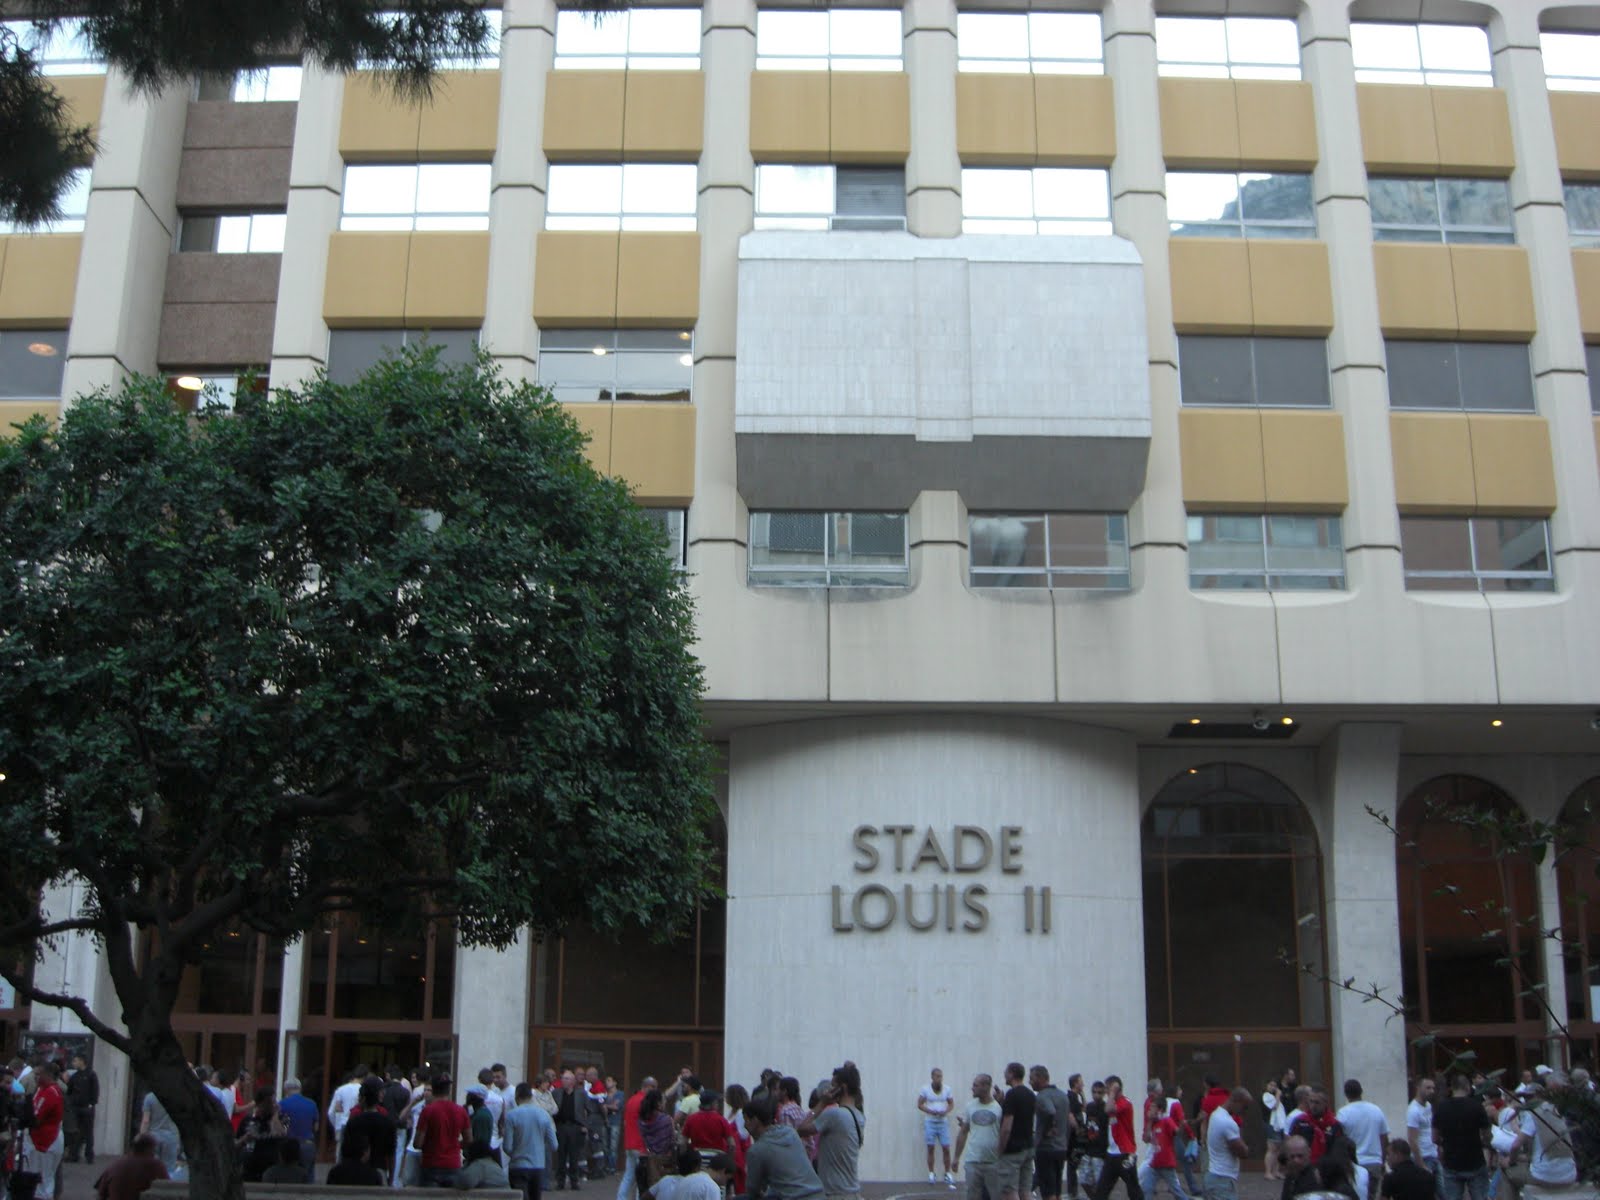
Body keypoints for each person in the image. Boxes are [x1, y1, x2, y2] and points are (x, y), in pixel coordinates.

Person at [800, 1066, 864, 1200]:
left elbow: (801, 1129)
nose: (828, 1090)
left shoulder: (834, 1115)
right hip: (853, 1192)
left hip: (835, 1194)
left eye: (833, 1086)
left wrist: (822, 1102)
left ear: (843, 1088)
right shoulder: (859, 1116)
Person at [1502, 1084, 1576, 1199]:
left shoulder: (1534, 1114)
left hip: (1546, 1176)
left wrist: (1511, 1161)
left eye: (1530, 1097)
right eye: (1525, 1098)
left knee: (1507, 1171)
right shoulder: (1558, 1111)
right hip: (1570, 1173)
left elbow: (1516, 1146)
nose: (1527, 1101)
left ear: (1540, 1096)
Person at [744, 1095, 825, 1200]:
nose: (744, 1125)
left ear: (755, 1121)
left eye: (746, 1120)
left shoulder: (757, 1150)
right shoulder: (791, 1133)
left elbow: (752, 1189)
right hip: (818, 1194)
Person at [1431, 1073, 1490, 1200]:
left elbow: (1434, 1138)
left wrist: (1443, 1145)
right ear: (1468, 1087)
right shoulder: (1477, 1106)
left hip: (1451, 1163)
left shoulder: (1441, 1108)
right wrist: (1484, 1143)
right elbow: (1487, 1135)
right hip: (1475, 1162)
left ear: (1451, 1088)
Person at [507, 1080, 561, 1200]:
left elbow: (507, 1146)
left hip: (518, 1165)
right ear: (531, 1096)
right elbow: (554, 1145)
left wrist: (515, 1152)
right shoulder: (544, 1115)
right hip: (538, 1165)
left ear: (517, 1096)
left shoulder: (511, 1115)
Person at [1337, 1079, 1390, 1200]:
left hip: (1354, 1164)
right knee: (1371, 1196)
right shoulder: (1376, 1110)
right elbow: (1384, 1138)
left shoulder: (1343, 1113)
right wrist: (1382, 1160)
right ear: (1361, 1091)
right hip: (1374, 1162)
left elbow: (1340, 1141)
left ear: (1346, 1094)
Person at [417, 1073, 472, 1187]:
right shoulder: (461, 1111)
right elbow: (469, 1139)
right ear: (449, 1089)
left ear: (433, 1089)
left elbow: (417, 1143)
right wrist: (455, 1145)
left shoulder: (427, 1111)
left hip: (431, 1164)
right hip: (453, 1163)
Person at [955, 1073, 1003, 1200]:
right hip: (973, 1161)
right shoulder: (970, 1106)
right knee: (972, 1196)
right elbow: (963, 1132)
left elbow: (1005, 1133)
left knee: (996, 1196)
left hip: (993, 1161)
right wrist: (956, 1157)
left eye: (975, 1085)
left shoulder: (998, 1108)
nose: (972, 1088)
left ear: (986, 1086)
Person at [993, 1062, 1036, 1200]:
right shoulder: (1030, 1094)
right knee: (1025, 1190)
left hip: (1012, 1150)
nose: (1004, 1075)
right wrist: (1002, 1102)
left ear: (1011, 1073)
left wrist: (1000, 1149)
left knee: (1008, 1191)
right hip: (1028, 1147)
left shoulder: (1012, 1095)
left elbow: (1007, 1127)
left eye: (1006, 1072)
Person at [1092, 1076, 1140, 1200]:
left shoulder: (1125, 1102)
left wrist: (1113, 1092)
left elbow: (1108, 1109)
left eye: (1108, 1088)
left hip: (1125, 1153)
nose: (1107, 1092)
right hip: (1112, 1154)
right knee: (1101, 1191)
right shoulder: (1112, 1102)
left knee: (1133, 1189)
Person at [1137, 1093, 1189, 1200]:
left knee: (1176, 1191)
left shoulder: (1166, 1121)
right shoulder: (1153, 1124)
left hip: (1166, 1163)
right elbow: (1146, 1139)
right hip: (1155, 1164)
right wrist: (1149, 1122)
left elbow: (1177, 1132)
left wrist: (1182, 1125)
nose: (1150, 1110)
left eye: (1153, 1107)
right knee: (1147, 1187)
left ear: (1160, 1110)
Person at [1034, 1066, 1075, 1200]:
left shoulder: (1042, 1096)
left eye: (1032, 1078)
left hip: (1046, 1148)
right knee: (1057, 1191)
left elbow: (1050, 1111)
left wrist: (1045, 1131)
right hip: (1061, 1148)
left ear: (1040, 1078)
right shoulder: (1063, 1095)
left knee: (1048, 1192)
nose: (1030, 1081)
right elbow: (1069, 1122)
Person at [347, 1076, 398, 1184]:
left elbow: (346, 1150)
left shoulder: (354, 1121)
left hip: (357, 1170)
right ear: (379, 1095)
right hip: (380, 1169)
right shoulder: (387, 1122)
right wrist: (391, 1177)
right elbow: (391, 1154)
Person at [27, 1061, 67, 1200]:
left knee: (43, 1180)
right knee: (42, 1180)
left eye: (39, 1074)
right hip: (42, 1139)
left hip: (47, 1141)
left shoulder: (50, 1092)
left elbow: (36, 1118)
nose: (35, 1077)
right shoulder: (43, 1089)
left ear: (48, 1075)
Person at [617, 1074, 658, 1200]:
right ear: (648, 1087)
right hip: (640, 1145)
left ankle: (621, 1198)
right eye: (654, 1087)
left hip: (629, 1143)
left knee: (629, 1175)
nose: (656, 1091)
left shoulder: (631, 1100)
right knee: (642, 1178)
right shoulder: (645, 1102)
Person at [92, 1132, 169, 1200]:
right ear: (149, 1149)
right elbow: (168, 1190)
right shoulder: (156, 1165)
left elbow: (100, 1194)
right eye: (154, 1149)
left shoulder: (116, 1164)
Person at [1202, 1088, 1249, 1200]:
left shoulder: (1215, 1114)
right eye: (1244, 1107)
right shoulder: (1228, 1123)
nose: (1244, 1111)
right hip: (1223, 1179)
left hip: (1213, 1174)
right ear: (1237, 1101)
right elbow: (1243, 1152)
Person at [277, 1076, 320, 1183]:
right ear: (300, 1089)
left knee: (288, 1179)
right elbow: (316, 1127)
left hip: (289, 1146)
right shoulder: (312, 1104)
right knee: (308, 1178)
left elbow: (278, 1127)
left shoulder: (282, 1104)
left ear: (286, 1089)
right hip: (308, 1144)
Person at [921, 1068, 956, 1185]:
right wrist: (930, 1111)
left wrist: (946, 1111)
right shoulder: (925, 1089)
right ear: (932, 1077)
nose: (939, 1079)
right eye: (937, 1076)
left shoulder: (947, 1089)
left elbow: (951, 1103)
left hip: (943, 1122)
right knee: (930, 1147)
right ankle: (931, 1173)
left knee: (946, 1147)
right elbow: (919, 1104)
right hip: (930, 1122)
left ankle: (947, 1173)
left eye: (940, 1076)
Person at [1287, 1091, 1344, 1164]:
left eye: (1317, 1102)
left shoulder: (1334, 1125)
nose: (1313, 1106)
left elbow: (1339, 1150)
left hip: (1328, 1168)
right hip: (1304, 1166)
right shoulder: (1300, 1121)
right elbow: (1291, 1144)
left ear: (1325, 1103)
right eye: (1311, 1101)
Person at [555, 1069, 589, 1190]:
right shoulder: (557, 1093)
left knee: (574, 1155)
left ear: (573, 1081)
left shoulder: (581, 1094)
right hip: (561, 1126)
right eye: (563, 1078)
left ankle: (574, 1180)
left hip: (575, 1127)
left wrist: (585, 1125)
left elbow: (589, 1110)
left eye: (567, 1079)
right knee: (561, 1156)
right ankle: (560, 1181)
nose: (563, 1081)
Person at [329, 1064, 369, 1161]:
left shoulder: (341, 1090)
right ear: (365, 1076)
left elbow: (331, 1112)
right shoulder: (363, 1090)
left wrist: (336, 1125)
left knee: (341, 1154)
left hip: (343, 1124)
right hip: (359, 1124)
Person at [137, 1087, 181, 1176]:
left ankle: (153, 1188)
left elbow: (146, 1121)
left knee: (152, 1167)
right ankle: (167, 1188)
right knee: (169, 1168)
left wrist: (141, 1137)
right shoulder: (174, 1098)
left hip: (153, 1136)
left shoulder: (149, 1098)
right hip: (171, 1136)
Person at [65, 1053, 99, 1165]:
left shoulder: (91, 1075)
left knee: (88, 1132)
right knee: (76, 1131)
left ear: (82, 1061)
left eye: (75, 1061)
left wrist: (91, 1103)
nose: (73, 1063)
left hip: (87, 1107)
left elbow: (95, 1090)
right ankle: (74, 1154)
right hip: (76, 1107)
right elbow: (69, 1091)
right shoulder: (75, 1076)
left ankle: (89, 1155)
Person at [1406, 1079, 1438, 1183]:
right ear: (1418, 1088)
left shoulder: (1428, 1105)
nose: (1432, 1091)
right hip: (1424, 1156)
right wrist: (1421, 1164)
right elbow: (1412, 1140)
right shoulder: (1413, 1110)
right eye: (1428, 1088)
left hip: (1433, 1154)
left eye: (1433, 1088)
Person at [778, 1077, 817, 1163]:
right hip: (805, 1157)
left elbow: (787, 1140)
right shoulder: (799, 1110)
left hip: (793, 1159)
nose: (777, 1093)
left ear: (784, 1091)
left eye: (779, 1090)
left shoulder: (785, 1111)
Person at [1280, 1136, 1323, 1200]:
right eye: (1292, 1157)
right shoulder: (1291, 1173)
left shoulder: (1313, 1178)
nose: (1296, 1160)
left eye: (1300, 1156)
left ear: (1309, 1153)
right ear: (1286, 1156)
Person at [1263, 1082, 1286, 1182]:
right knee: (1272, 1148)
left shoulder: (1277, 1097)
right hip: (1271, 1124)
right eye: (1271, 1085)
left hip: (1279, 1125)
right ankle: (1268, 1172)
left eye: (1275, 1086)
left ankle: (1276, 1171)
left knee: (1278, 1149)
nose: (1273, 1087)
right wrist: (1277, 1095)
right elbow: (1274, 1107)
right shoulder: (1266, 1096)